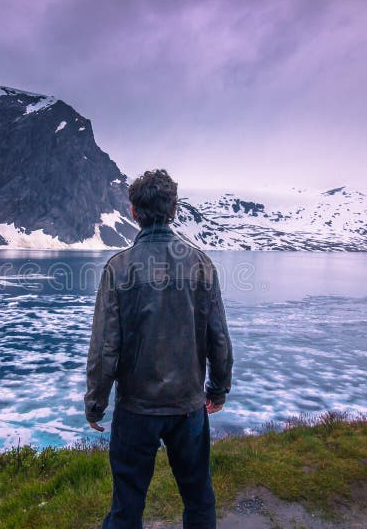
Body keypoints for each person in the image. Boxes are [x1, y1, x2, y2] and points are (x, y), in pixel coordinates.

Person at [84, 169, 234, 529]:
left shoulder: (118, 268)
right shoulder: (201, 264)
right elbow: (219, 339)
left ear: (134, 212)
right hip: (188, 407)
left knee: (126, 507)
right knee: (199, 500)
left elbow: (106, 348)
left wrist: (96, 402)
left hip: (136, 408)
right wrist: (217, 389)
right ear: (175, 209)